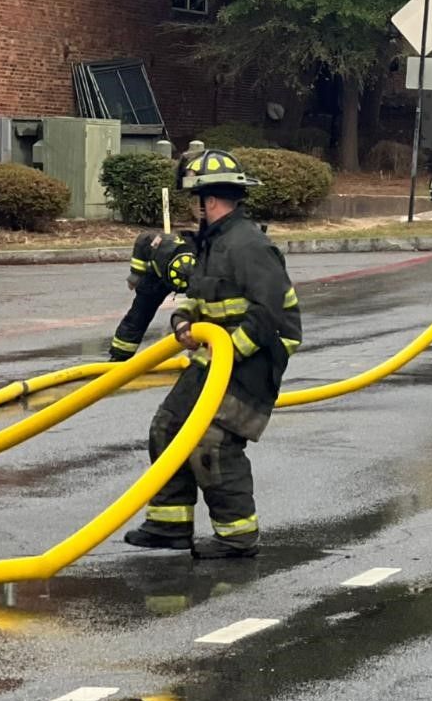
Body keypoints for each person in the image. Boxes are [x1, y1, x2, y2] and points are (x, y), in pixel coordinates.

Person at [122, 149, 302, 559]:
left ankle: (238, 536)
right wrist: (183, 321)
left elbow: (270, 316)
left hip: (255, 357)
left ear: (210, 200)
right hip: (216, 355)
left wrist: (229, 354)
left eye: (196, 200)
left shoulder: (249, 246)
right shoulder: (212, 242)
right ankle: (170, 525)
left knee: (213, 441)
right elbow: (199, 295)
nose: (194, 209)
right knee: (167, 426)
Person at [109, 229, 198, 361]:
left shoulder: (202, 252)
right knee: (139, 315)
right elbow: (142, 240)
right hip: (155, 279)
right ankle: (119, 356)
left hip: (194, 282)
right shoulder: (163, 245)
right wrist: (135, 274)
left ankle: (199, 353)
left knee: (202, 311)